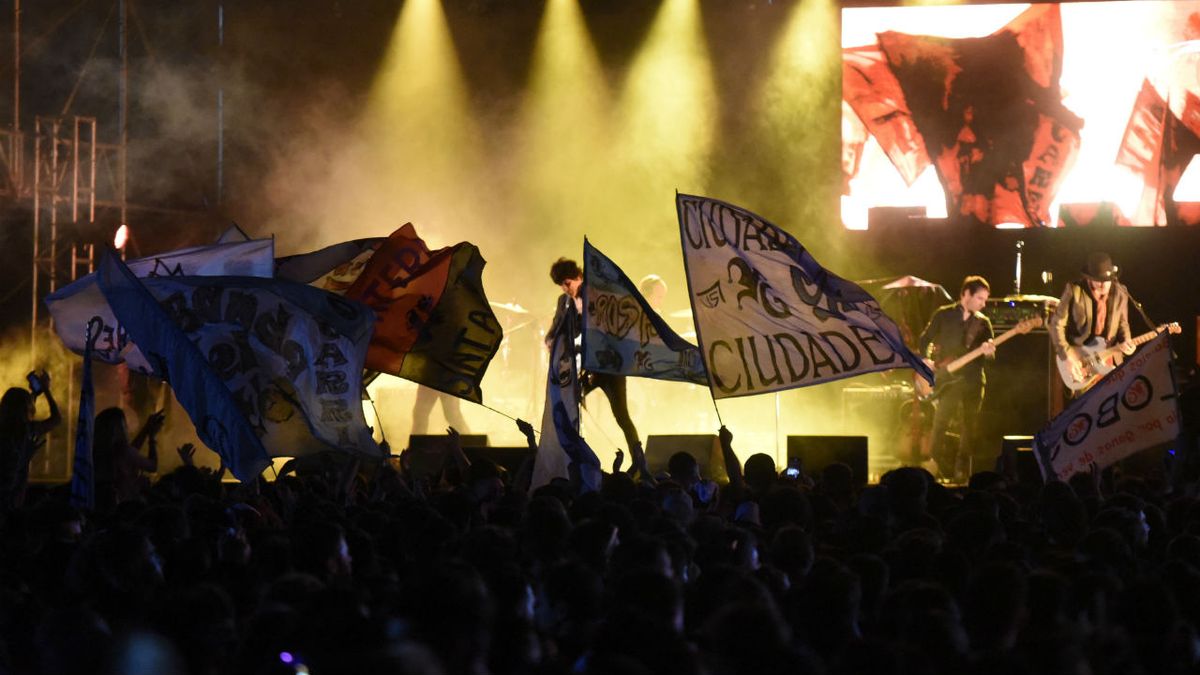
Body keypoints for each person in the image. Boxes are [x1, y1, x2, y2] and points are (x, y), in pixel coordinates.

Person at [547, 257, 642, 454]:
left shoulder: (597, 297)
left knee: (621, 415)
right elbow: (556, 329)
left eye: (567, 283)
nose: (565, 289)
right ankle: (574, 453)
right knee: (568, 404)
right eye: (561, 285)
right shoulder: (564, 302)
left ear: (579, 277)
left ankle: (638, 459)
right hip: (586, 367)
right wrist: (551, 340)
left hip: (609, 366)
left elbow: (611, 330)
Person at [918, 275, 996, 481]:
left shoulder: (983, 322)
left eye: (984, 299)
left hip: (973, 379)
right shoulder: (943, 315)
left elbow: (991, 357)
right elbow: (924, 340)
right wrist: (925, 360)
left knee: (969, 426)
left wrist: (988, 352)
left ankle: (962, 473)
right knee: (940, 422)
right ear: (966, 294)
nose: (983, 303)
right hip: (947, 379)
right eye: (980, 298)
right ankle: (935, 467)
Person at [1050, 252, 1134, 390]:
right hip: (1082, 361)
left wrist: (1127, 341)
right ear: (1089, 278)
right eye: (1098, 280)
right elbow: (1056, 325)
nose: (1103, 285)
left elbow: (1123, 323)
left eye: (1106, 280)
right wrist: (1067, 356)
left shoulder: (1120, 292)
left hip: (1110, 358)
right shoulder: (1074, 290)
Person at [0, 371, 61, 512]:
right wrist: (46, 390)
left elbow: (16, 411)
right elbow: (56, 419)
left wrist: (33, 396)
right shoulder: (27, 429)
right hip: (13, 492)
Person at [93, 407, 164, 509]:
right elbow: (152, 466)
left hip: (106, 505)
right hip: (127, 505)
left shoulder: (98, 451)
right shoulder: (125, 451)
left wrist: (146, 429)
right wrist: (151, 437)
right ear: (119, 427)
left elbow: (132, 452)